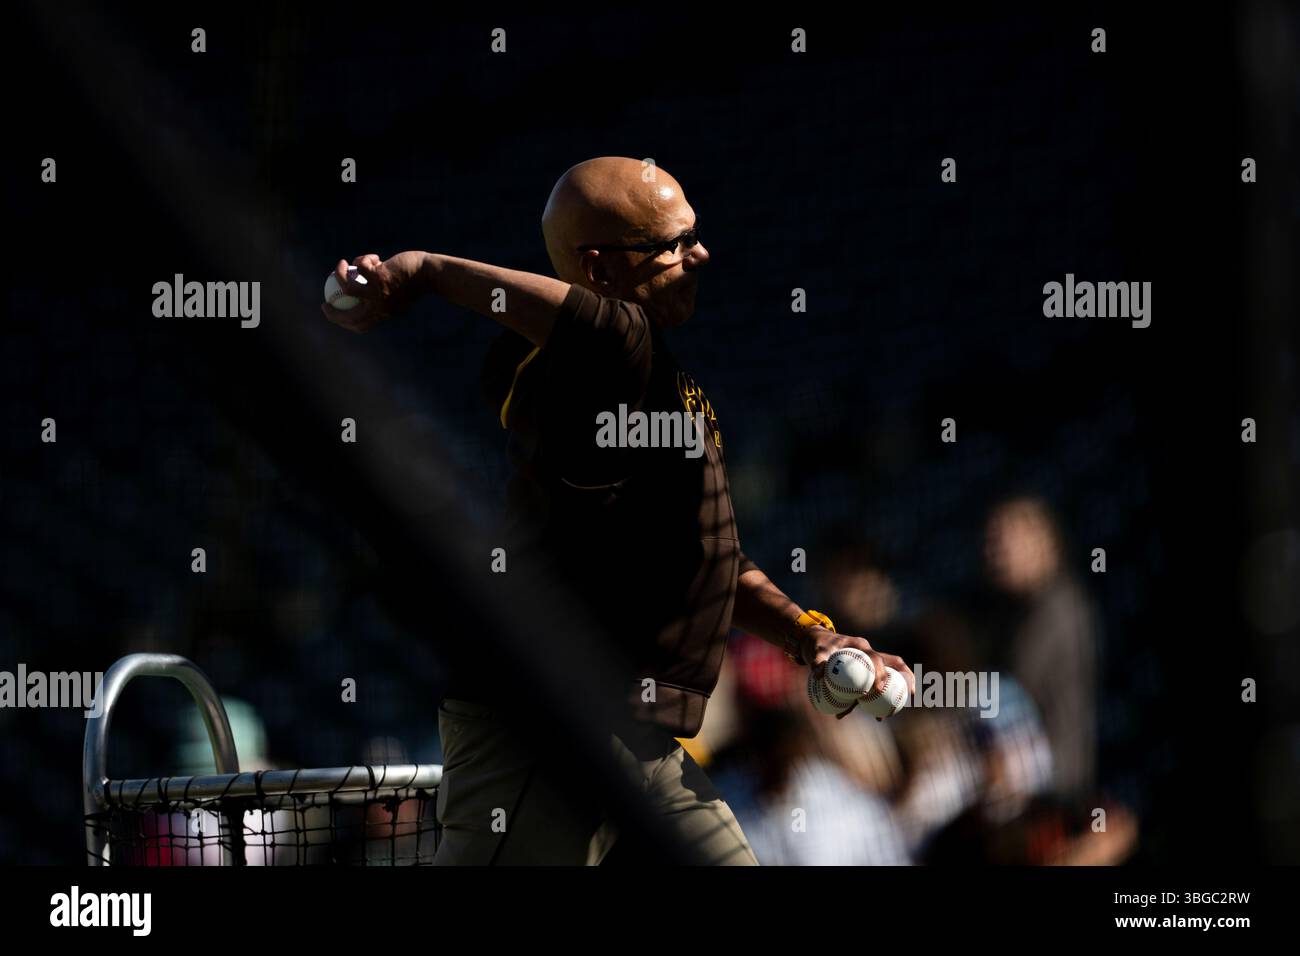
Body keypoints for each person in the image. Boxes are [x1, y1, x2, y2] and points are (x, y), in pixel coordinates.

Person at [321, 156, 914, 864]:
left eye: (695, 233)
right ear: (600, 269)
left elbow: (710, 555)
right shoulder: (612, 352)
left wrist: (808, 636)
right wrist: (423, 271)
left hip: (639, 736)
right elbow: (583, 324)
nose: (701, 254)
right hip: (538, 725)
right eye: (672, 244)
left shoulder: (664, 387)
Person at [983, 495, 1099, 802]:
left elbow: (1013, 692)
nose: (995, 555)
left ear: (1044, 542)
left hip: (1054, 785)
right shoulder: (1013, 612)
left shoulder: (1060, 608)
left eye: (1005, 543)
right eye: (991, 544)